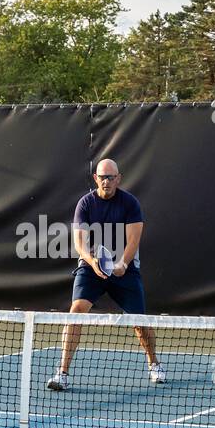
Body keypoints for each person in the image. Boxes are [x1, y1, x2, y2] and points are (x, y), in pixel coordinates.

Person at [46, 158, 164, 391]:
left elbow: (133, 240)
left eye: (111, 177)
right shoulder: (85, 204)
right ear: (95, 179)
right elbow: (79, 245)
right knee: (75, 312)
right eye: (102, 177)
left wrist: (121, 264)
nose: (107, 181)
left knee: (139, 321)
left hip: (124, 269)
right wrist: (93, 262)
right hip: (91, 268)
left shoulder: (130, 203)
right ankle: (62, 373)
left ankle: (154, 364)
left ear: (118, 179)